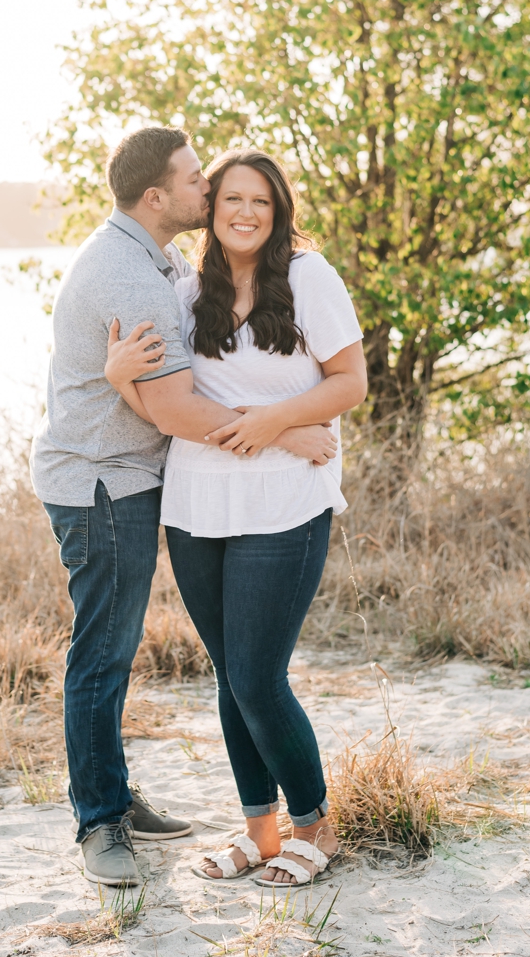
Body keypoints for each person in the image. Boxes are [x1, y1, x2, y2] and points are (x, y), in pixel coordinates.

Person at [31, 128, 335, 887]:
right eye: (201, 181)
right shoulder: (136, 274)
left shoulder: (157, 258)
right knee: (103, 654)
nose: (211, 192)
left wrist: (116, 379)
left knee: (194, 664)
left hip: (137, 480)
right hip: (102, 483)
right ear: (157, 196)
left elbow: (173, 390)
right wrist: (286, 432)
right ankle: (100, 820)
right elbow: (173, 408)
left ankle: (121, 798)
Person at [104, 149, 367, 889]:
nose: (246, 213)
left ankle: (314, 824)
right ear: (210, 210)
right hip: (197, 505)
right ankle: (259, 831)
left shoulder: (309, 276)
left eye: (261, 201)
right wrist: (120, 379)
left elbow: (351, 380)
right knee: (230, 676)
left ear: (278, 209)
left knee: (257, 676)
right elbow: (166, 408)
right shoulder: (185, 292)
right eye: (231, 201)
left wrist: (278, 424)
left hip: (285, 501)